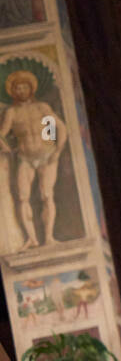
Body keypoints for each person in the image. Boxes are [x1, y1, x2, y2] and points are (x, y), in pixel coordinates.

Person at [0, 70, 67, 248]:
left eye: (24, 87)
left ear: (30, 89)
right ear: (13, 92)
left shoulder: (41, 107)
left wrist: (57, 151)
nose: (21, 91)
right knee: (23, 197)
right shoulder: (12, 113)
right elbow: (2, 134)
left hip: (46, 156)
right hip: (25, 158)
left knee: (46, 195)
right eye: (17, 88)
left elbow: (57, 129)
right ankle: (32, 239)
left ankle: (49, 238)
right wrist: (5, 145)